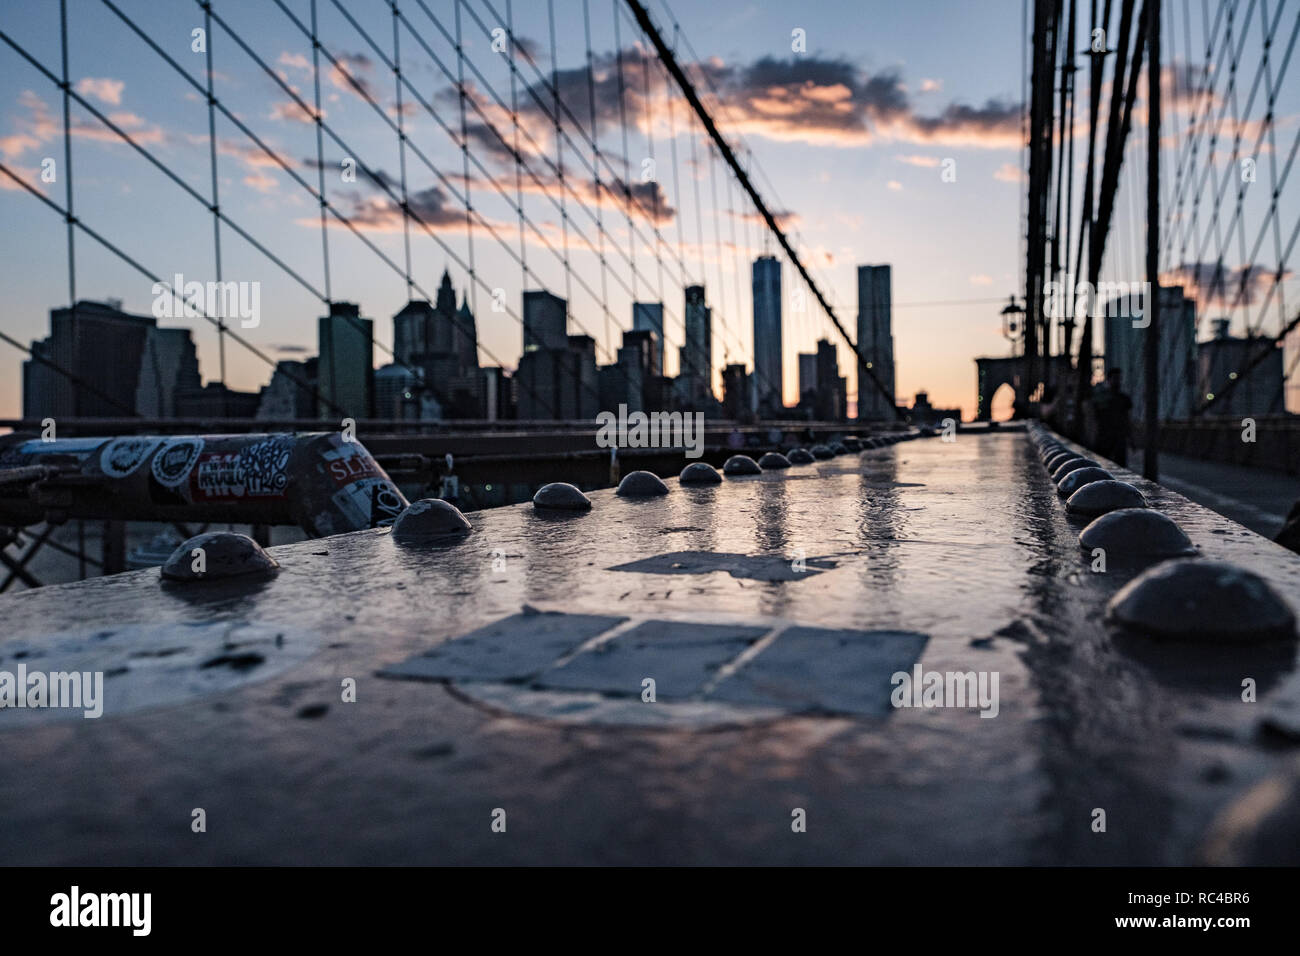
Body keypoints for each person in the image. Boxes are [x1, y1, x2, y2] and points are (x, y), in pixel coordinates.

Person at [1091, 368, 1133, 466]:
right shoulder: (1101, 398)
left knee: (1120, 465)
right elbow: (1093, 418)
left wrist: (1131, 438)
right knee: (1102, 464)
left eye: (1119, 379)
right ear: (1109, 380)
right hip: (1104, 437)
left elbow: (1127, 418)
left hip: (1119, 437)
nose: (1117, 381)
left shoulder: (1124, 398)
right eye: (1115, 378)